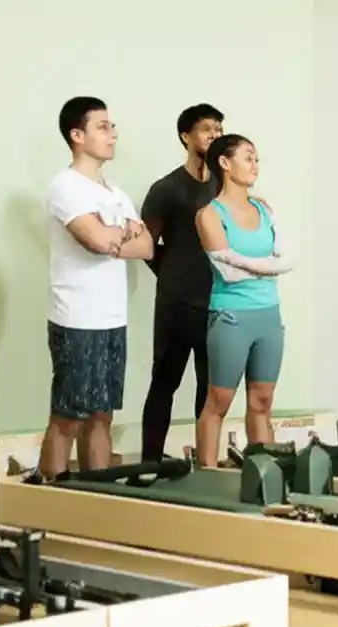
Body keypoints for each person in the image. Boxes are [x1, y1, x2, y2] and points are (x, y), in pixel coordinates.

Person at [36, 97, 154, 481]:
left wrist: (113, 234)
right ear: (77, 135)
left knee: (103, 413)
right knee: (70, 414)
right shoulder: (65, 185)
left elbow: (147, 246)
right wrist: (120, 234)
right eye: (102, 127)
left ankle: (98, 494)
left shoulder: (115, 194)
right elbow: (96, 240)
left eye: (111, 126)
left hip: (112, 318)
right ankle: (50, 492)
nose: (112, 134)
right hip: (76, 317)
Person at [194, 134, 297, 467]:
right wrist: (267, 267)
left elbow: (288, 259)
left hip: (268, 315)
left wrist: (243, 261)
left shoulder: (264, 208)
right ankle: (207, 473)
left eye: (256, 159)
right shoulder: (209, 214)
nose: (255, 165)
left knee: (262, 400)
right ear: (225, 163)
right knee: (219, 399)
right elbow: (228, 272)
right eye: (248, 157)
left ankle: (263, 473)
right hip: (232, 316)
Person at [138, 103, 225, 462]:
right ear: (186, 136)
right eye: (207, 129)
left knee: (210, 389)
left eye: (218, 130)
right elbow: (145, 244)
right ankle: (150, 462)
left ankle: (206, 463)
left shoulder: (224, 187)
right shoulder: (167, 188)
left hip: (217, 302)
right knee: (164, 383)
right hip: (176, 304)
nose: (214, 136)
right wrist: (173, 274)